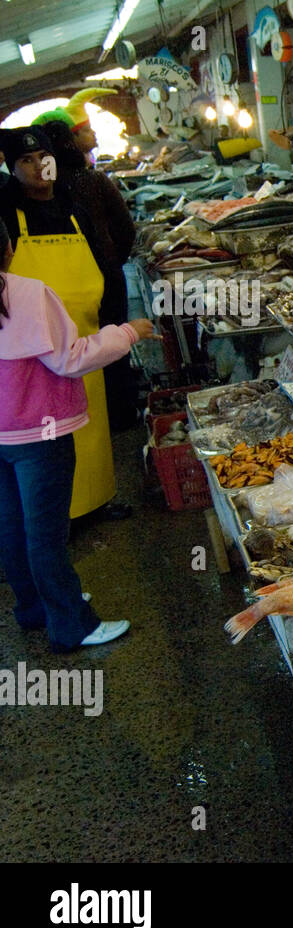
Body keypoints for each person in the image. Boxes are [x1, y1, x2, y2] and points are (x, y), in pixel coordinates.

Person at [0, 214, 159, 652]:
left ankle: (33, 607)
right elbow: (69, 359)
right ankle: (71, 623)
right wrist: (127, 332)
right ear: (8, 248)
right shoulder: (27, 293)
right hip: (39, 433)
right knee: (46, 534)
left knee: (11, 527)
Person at [0, 126, 126, 520]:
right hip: (32, 360)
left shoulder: (76, 212)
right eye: (27, 161)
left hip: (87, 340)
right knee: (47, 442)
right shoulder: (6, 216)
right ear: (12, 168)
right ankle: (53, 524)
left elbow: (106, 262)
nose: (40, 167)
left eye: (45, 158)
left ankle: (97, 501)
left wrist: (112, 322)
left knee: (90, 433)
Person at [34, 110, 138, 432]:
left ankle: (81, 421)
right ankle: (122, 418)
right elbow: (126, 229)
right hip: (106, 278)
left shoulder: (37, 193)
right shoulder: (91, 180)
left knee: (64, 358)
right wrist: (112, 263)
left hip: (56, 290)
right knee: (116, 347)